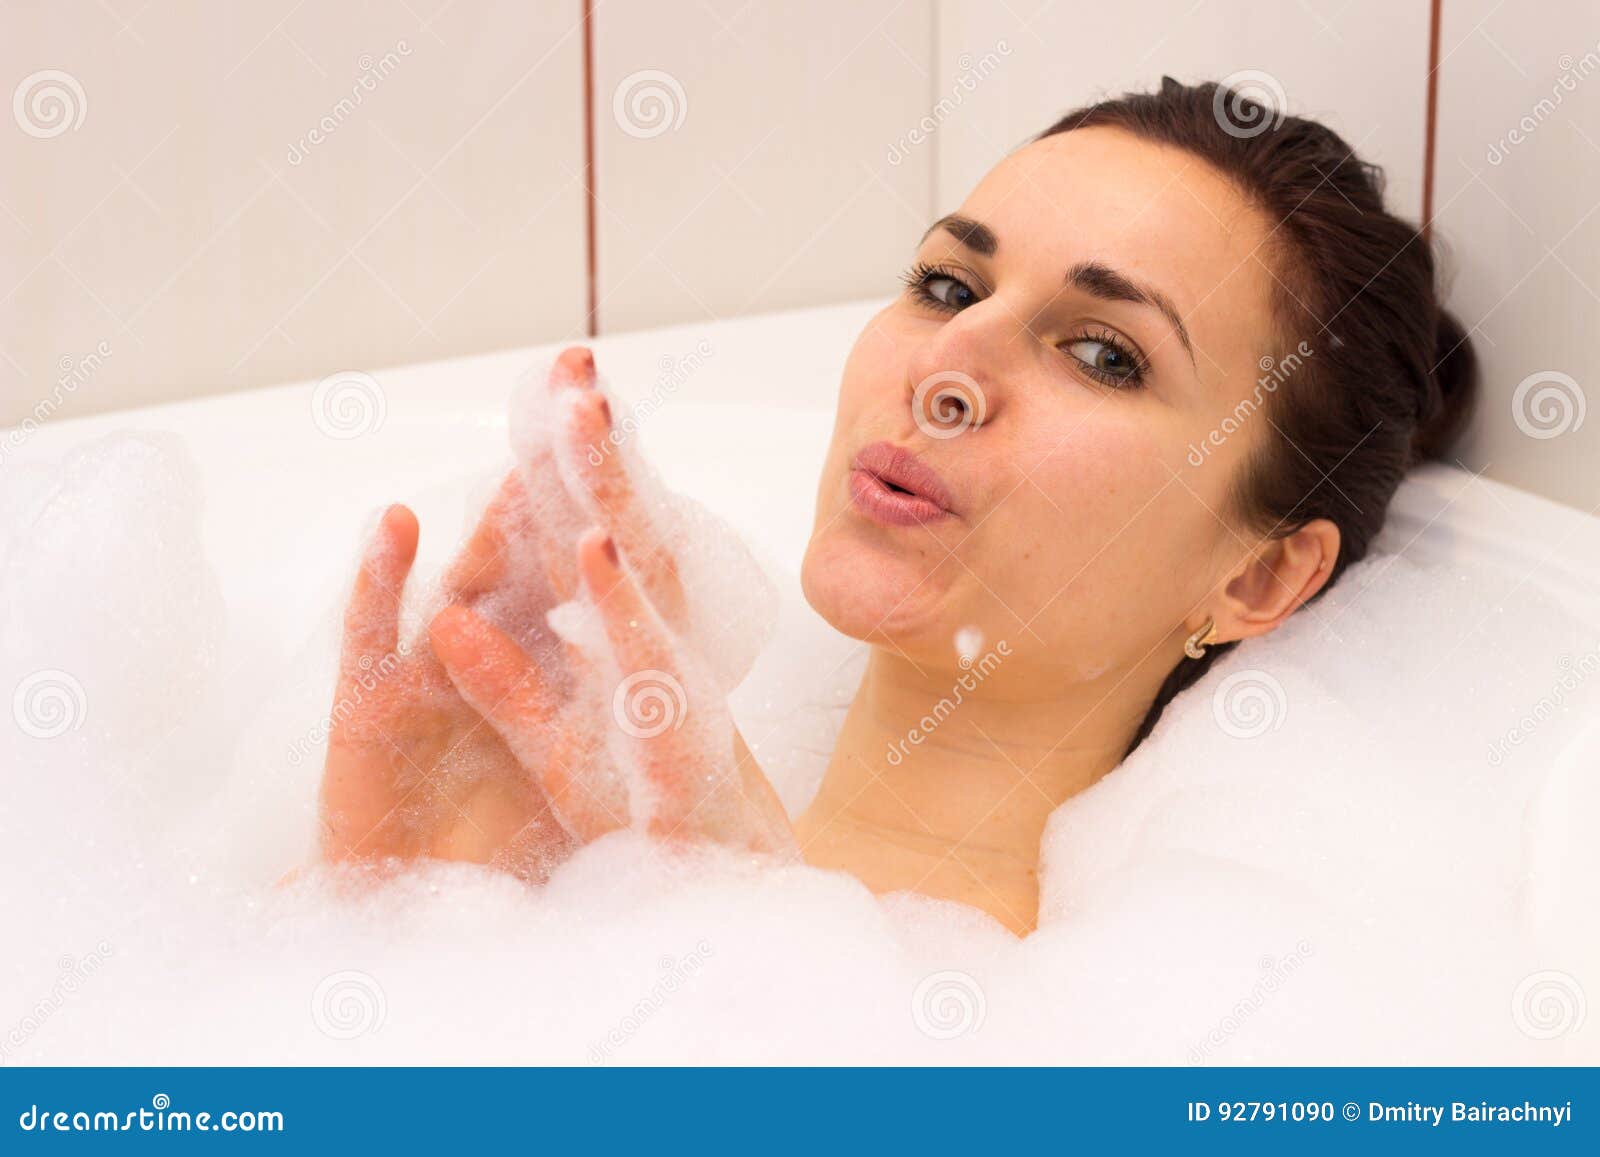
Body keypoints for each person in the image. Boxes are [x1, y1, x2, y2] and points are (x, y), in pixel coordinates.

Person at [312, 78, 1477, 936]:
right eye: (946, 284)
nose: (949, 364)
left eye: (1103, 353)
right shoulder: (608, 860)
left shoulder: (1081, 1039)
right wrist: (374, 890)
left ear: (1257, 578)